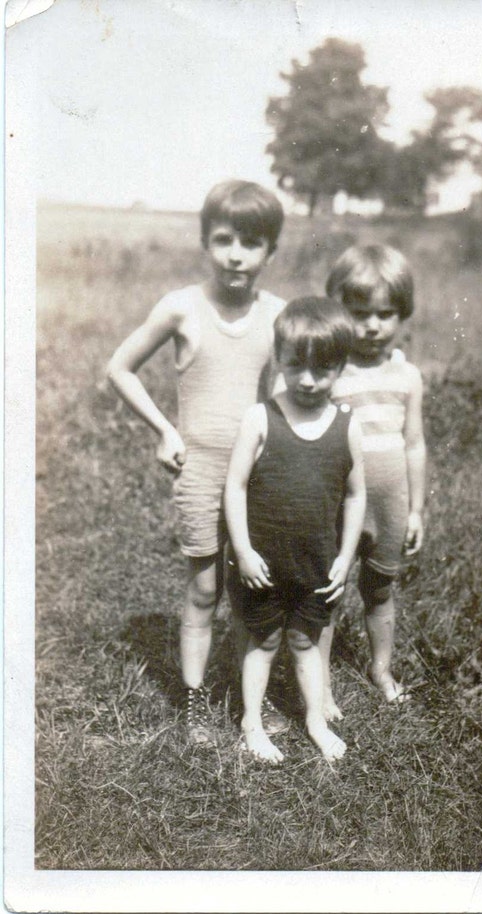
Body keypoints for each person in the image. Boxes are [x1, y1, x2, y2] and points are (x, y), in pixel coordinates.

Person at [106, 180, 285, 746]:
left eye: (251, 243)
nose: (236, 254)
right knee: (204, 589)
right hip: (202, 471)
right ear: (206, 242)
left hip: (257, 474)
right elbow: (120, 367)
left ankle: (250, 700)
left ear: (270, 251)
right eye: (224, 240)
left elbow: (284, 396)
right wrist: (163, 430)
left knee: (254, 588)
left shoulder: (278, 315)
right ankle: (193, 701)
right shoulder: (182, 306)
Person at [224, 297, 366, 763]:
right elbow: (236, 486)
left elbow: (354, 495)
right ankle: (251, 723)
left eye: (322, 370)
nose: (307, 380)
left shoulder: (346, 426)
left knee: (306, 644)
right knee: (263, 642)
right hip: (263, 563)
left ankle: (314, 721)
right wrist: (243, 550)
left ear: (341, 366)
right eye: (294, 366)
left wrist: (345, 556)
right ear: (279, 360)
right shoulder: (260, 418)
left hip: (317, 563)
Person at [320, 244, 426, 717]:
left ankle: (382, 670)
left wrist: (417, 509)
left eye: (385, 313)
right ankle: (318, 680)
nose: (372, 325)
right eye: (359, 312)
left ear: (402, 315)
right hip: (338, 505)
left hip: (390, 504)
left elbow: (414, 445)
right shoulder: (330, 373)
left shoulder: (407, 376)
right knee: (328, 590)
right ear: (338, 310)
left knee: (380, 591)